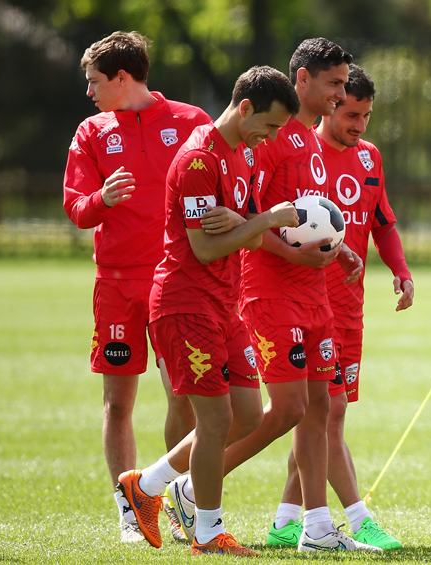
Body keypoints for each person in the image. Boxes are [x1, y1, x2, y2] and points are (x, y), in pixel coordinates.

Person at [160, 38, 378, 554]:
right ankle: (177, 489)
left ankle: (316, 528)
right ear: (302, 80)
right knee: (284, 411)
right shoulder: (264, 142)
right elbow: (252, 220)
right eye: (334, 84)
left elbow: (308, 215)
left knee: (319, 407)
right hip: (271, 292)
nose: (341, 94)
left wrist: (337, 247)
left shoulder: (304, 139)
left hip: (315, 291)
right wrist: (293, 250)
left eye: (345, 85)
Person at [117, 65, 302, 557]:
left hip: (225, 305)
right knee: (216, 418)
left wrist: (247, 222)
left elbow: (243, 232)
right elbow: (203, 248)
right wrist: (260, 220)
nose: (271, 137)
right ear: (245, 108)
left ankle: (148, 486)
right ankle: (206, 533)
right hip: (185, 302)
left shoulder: (240, 154)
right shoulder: (200, 160)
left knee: (246, 414)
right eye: (270, 125)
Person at [62, 31, 212, 542]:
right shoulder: (91, 132)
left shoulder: (193, 123)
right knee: (118, 402)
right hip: (118, 285)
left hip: (177, 284)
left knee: (185, 400)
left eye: (95, 82)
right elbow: (77, 210)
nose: (90, 92)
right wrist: (101, 199)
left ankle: (180, 501)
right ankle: (130, 512)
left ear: (123, 78)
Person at [265, 63, 413, 551]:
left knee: (326, 416)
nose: (359, 124)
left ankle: (288, 520)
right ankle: (357, 517)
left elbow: (384, 223)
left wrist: (401, 270)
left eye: (366, 115)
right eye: (351, 113)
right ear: (330, 104)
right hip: (304, 304)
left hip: (348, 310)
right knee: (321, 415)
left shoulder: (369, 158)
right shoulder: (302, 153)